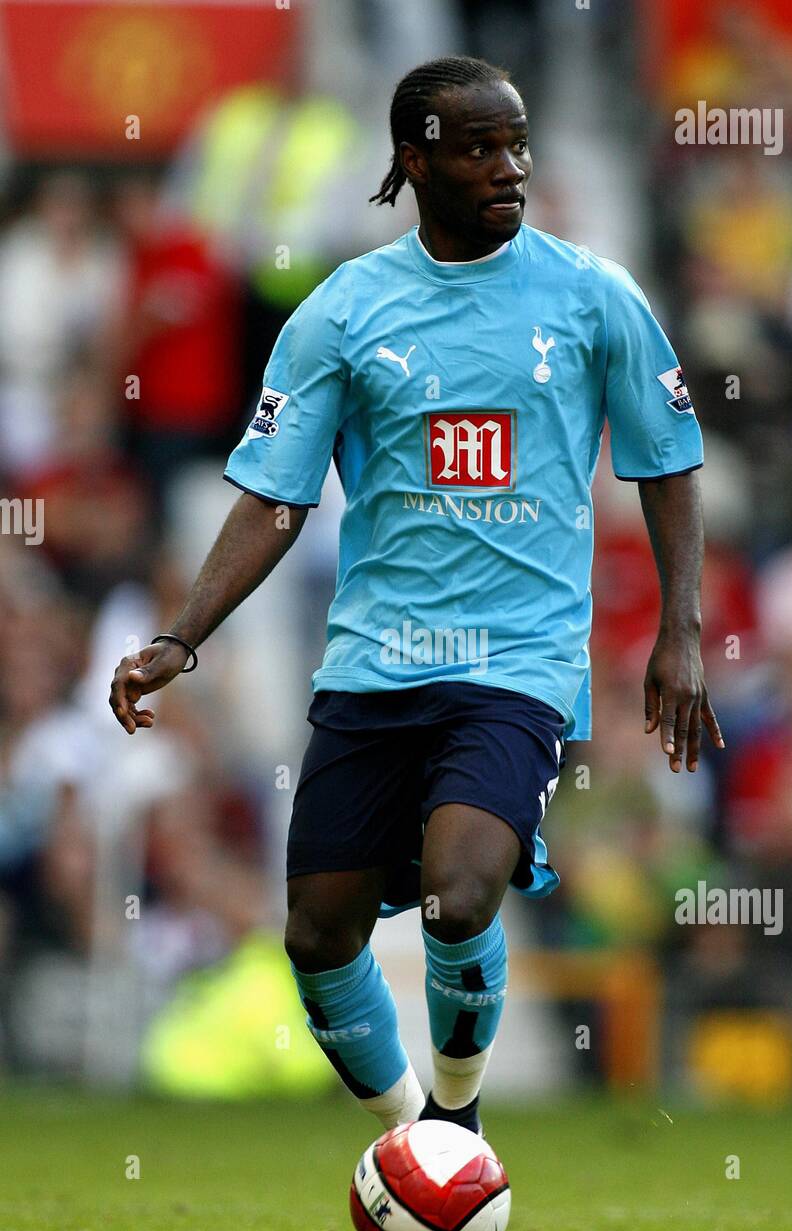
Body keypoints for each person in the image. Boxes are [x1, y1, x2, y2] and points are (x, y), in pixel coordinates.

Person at [110, 56, 723, 1142]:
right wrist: (179, 637)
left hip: (514, 662)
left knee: (461, 886)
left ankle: (455, 1125)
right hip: (373, 662)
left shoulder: (591, 295)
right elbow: (272, 499)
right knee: (316, 931)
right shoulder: (344, 311)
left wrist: (678, 629)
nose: (510, 169)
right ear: (415, 158)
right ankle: (411, 1139)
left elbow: (667, 458)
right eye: (480, 148)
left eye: (519, 144)